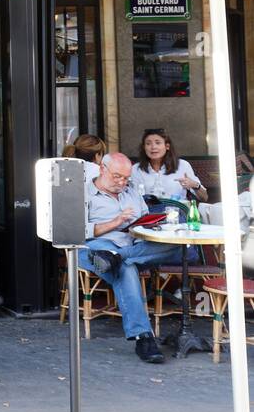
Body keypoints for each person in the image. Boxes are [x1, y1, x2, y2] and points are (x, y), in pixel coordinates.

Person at [81, 152, 199, 364]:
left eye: (126, 178)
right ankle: (143, 337)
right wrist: (114, 223)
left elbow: (143, 218)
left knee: (181, 247)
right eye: (117, 176)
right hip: (98, 246)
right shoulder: (83, 194)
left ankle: (118, 257)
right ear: (102, 169)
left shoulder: (131, 191)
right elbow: (76, 230)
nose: (122, 182)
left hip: (132, 245)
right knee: (126, 269)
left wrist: (150, 225)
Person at [130, 128, 207, 206]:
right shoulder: (136, 169)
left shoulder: (183, 166)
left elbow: (204, 197)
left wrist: (195, 185)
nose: (153, 147)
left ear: (167, 146)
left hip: (177, 213)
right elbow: (132, 199)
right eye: (148, 143)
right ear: (144, 147)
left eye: (158, 143)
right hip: (148, 215)